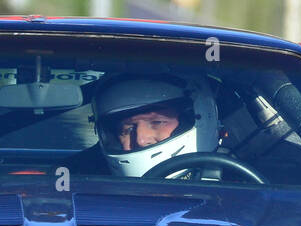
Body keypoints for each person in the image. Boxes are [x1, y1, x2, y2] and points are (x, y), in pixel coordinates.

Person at [62, 75, 220, 177]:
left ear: (201, 117)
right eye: (126, 129)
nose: (141, 139)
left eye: (157, 122)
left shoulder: (238, 182)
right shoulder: (82, 181)